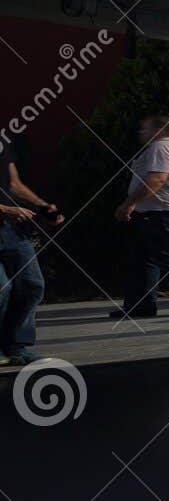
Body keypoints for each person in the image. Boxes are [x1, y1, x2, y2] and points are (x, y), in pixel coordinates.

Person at [111, 115, 169, 319]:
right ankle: (140, 305)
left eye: (145, 129)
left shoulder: (161, 147)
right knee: (144, 259)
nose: (141, 133)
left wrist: (128, 203)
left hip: (163, 215)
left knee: (168, 262)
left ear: (159, 131)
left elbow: (157, 178)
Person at [0, 145, 63, 365]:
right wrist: (6, 209)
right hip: (7, 216)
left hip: (9, 229)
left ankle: (16, 346)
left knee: (32, 284)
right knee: (2, 288)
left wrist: (44, 206)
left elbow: (14, 185)